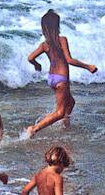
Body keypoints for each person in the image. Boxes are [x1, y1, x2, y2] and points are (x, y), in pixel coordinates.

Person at [26, 9, 97, 137]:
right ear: (57, 26)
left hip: (52, 78)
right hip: (61, 79)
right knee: (59, 112)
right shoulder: (62, 40)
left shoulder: (44, 45)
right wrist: (88, 66)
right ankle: (35, 129)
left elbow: (30, 58)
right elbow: (69, 60)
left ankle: (66, 127)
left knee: (70, 102)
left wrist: (37, 65)